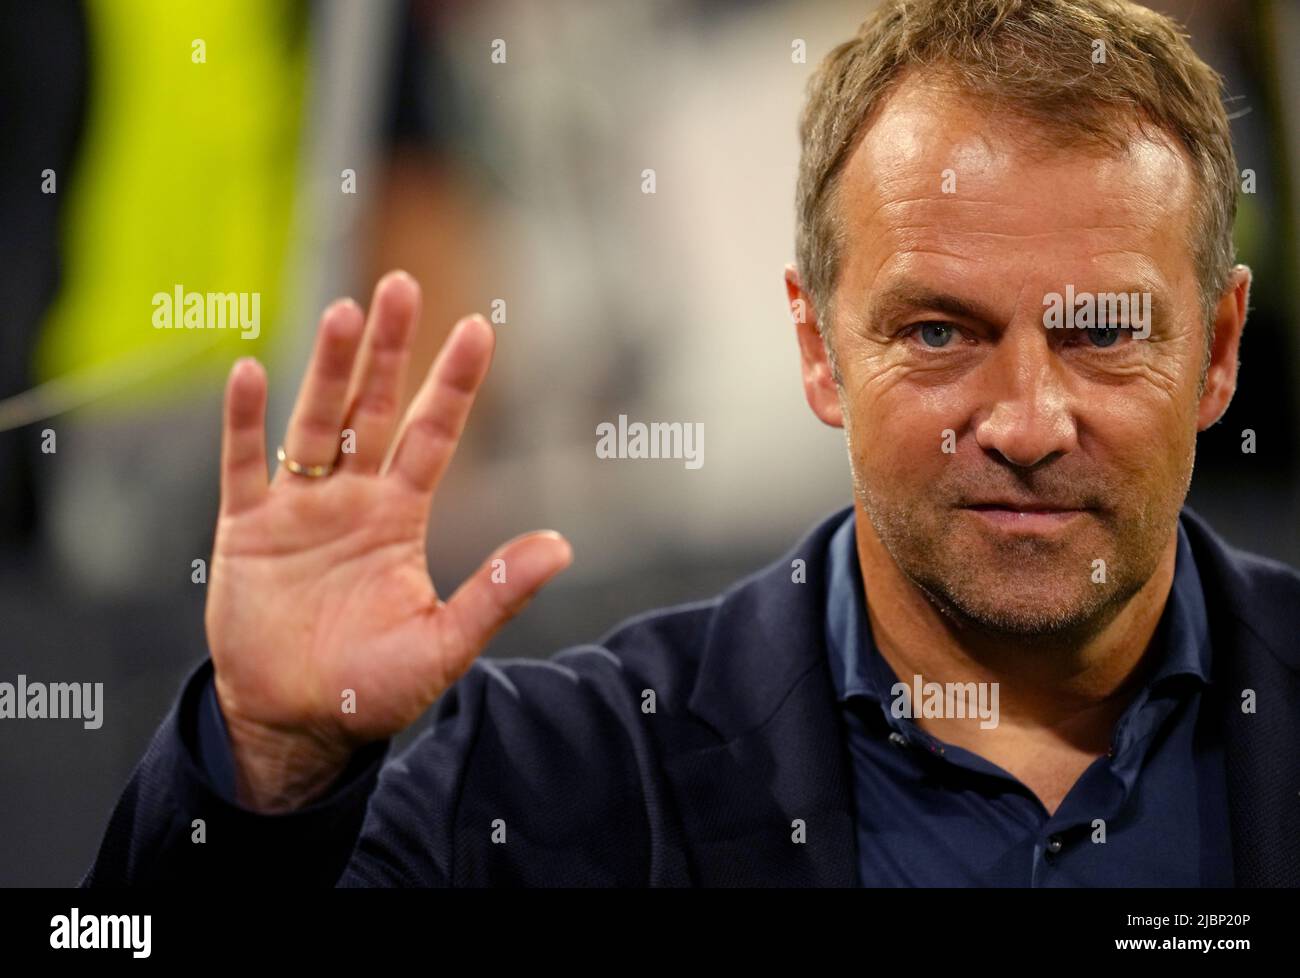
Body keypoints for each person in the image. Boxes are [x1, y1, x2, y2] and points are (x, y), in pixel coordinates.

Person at [85, 0, 1300, 887]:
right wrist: (271, 769)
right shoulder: (549, 781)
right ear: (819, 348)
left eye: (1101, 334)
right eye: (938, 334)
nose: (1028, 421)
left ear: (1220, 348)